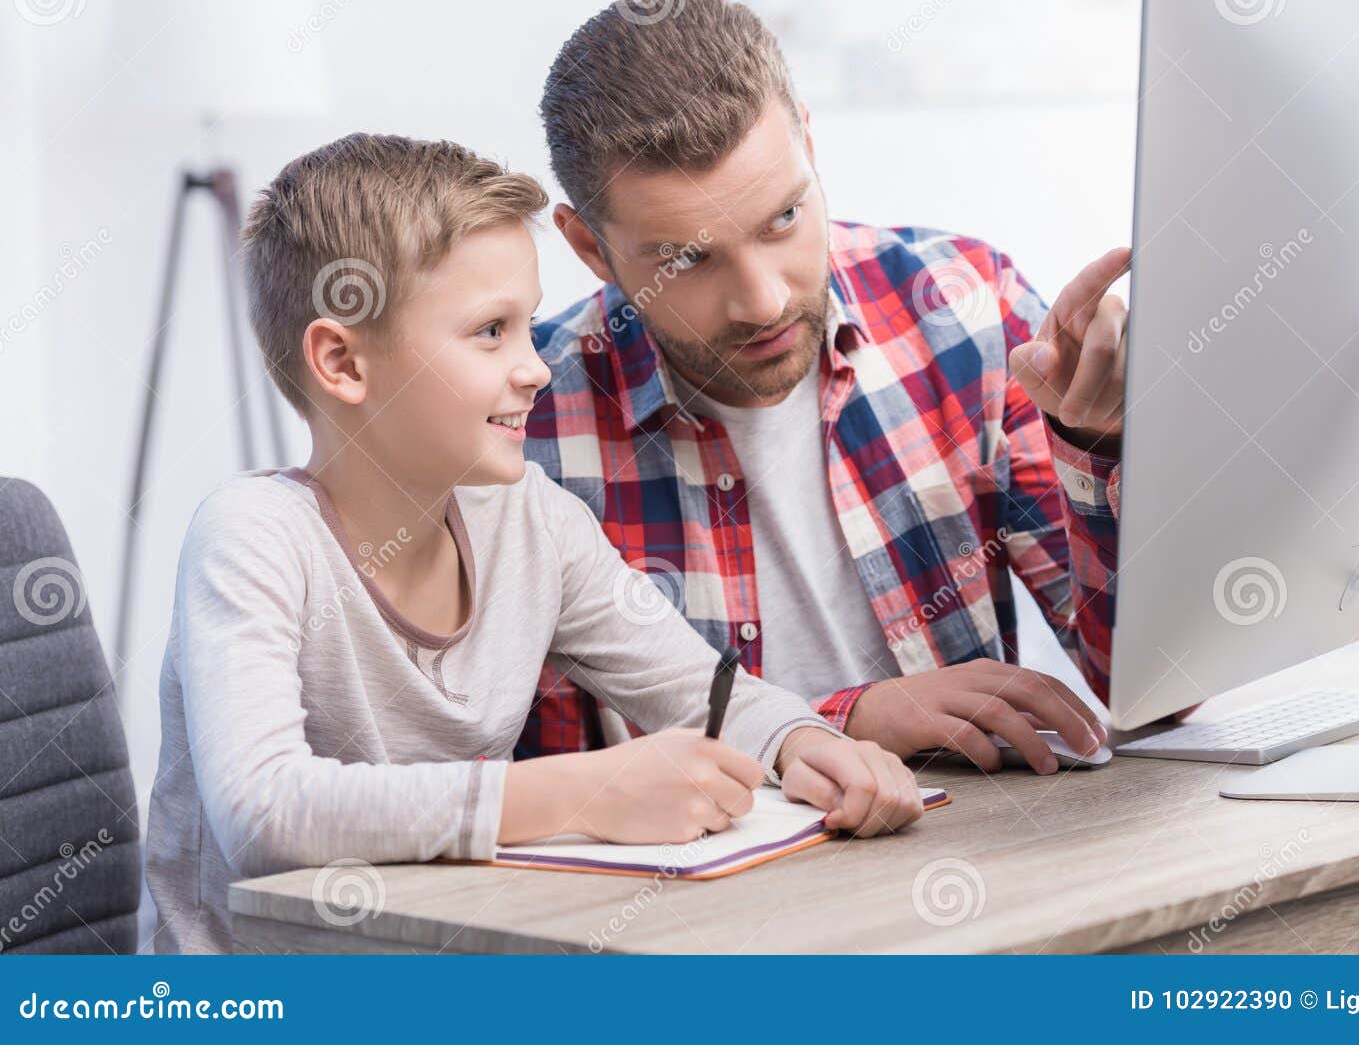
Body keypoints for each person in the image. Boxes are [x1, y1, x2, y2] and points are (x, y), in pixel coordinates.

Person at [144, 133, 923, 954]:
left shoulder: (531, 521)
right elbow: (264, 812)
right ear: (342, 361)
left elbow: (698, 690)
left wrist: (804, 743)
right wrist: (576, 794)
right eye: (490, 332)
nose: (535, 370)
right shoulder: (253, 537)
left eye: (527, 328)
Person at [523, 0, 1146, 776]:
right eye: (685, 258)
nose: (765, 300)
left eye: (783, 217)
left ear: (810, 148)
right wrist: (853, 719)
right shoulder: (525, 423)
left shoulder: (962, 307)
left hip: (987, 856)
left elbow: (1156, 690)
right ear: (589, 246)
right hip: (703, 894)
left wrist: (1098, 448)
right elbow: (540, 797)